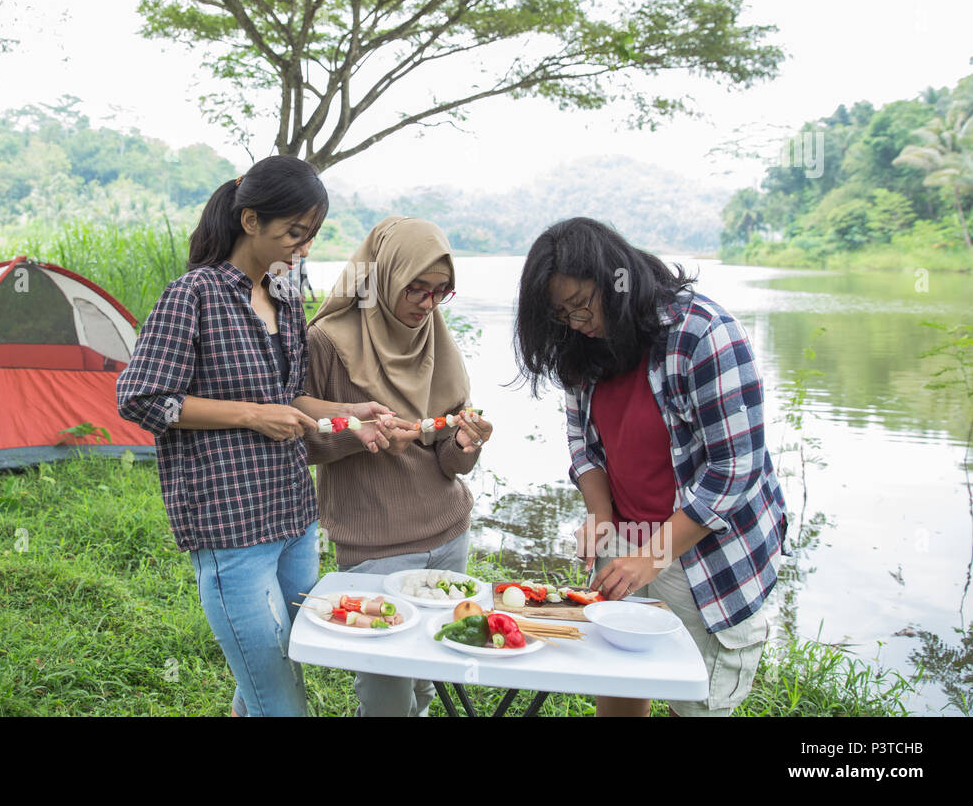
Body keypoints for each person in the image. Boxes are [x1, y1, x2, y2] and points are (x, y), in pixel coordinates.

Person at [116, 156, 393, 718]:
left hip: (293, 511)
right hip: (229, 521)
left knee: (277, 665)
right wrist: (249, 415)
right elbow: (141, 398)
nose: (304, 246)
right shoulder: (191, 296)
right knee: (281, 698)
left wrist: (349, 413)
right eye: (294, 232)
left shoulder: (286, 298)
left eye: (311, 235)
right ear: (249, 222)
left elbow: (286, 398)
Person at [513, 217, 785, 717]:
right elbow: (584, 444)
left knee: (697, 699)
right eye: (561, 314)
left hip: (704, 551)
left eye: (581, 305)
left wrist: (655, 555)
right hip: (626, 538)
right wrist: (601, 515)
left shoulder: (702, 333)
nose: (575, 323)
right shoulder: (583, 348)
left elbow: (735, 467)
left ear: (616, 278)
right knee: (618, 676)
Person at [304, 216, 493, 717]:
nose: (427, 305)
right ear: (384, 276)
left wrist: (467, 444)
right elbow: (299, 442)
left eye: (440, 292)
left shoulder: (435, 339)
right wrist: (354, 434)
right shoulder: (327, 341)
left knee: (429, 675)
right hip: (374, 548)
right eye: (416, 288)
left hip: (448, 533)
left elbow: (449, 461)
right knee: (385, 690)